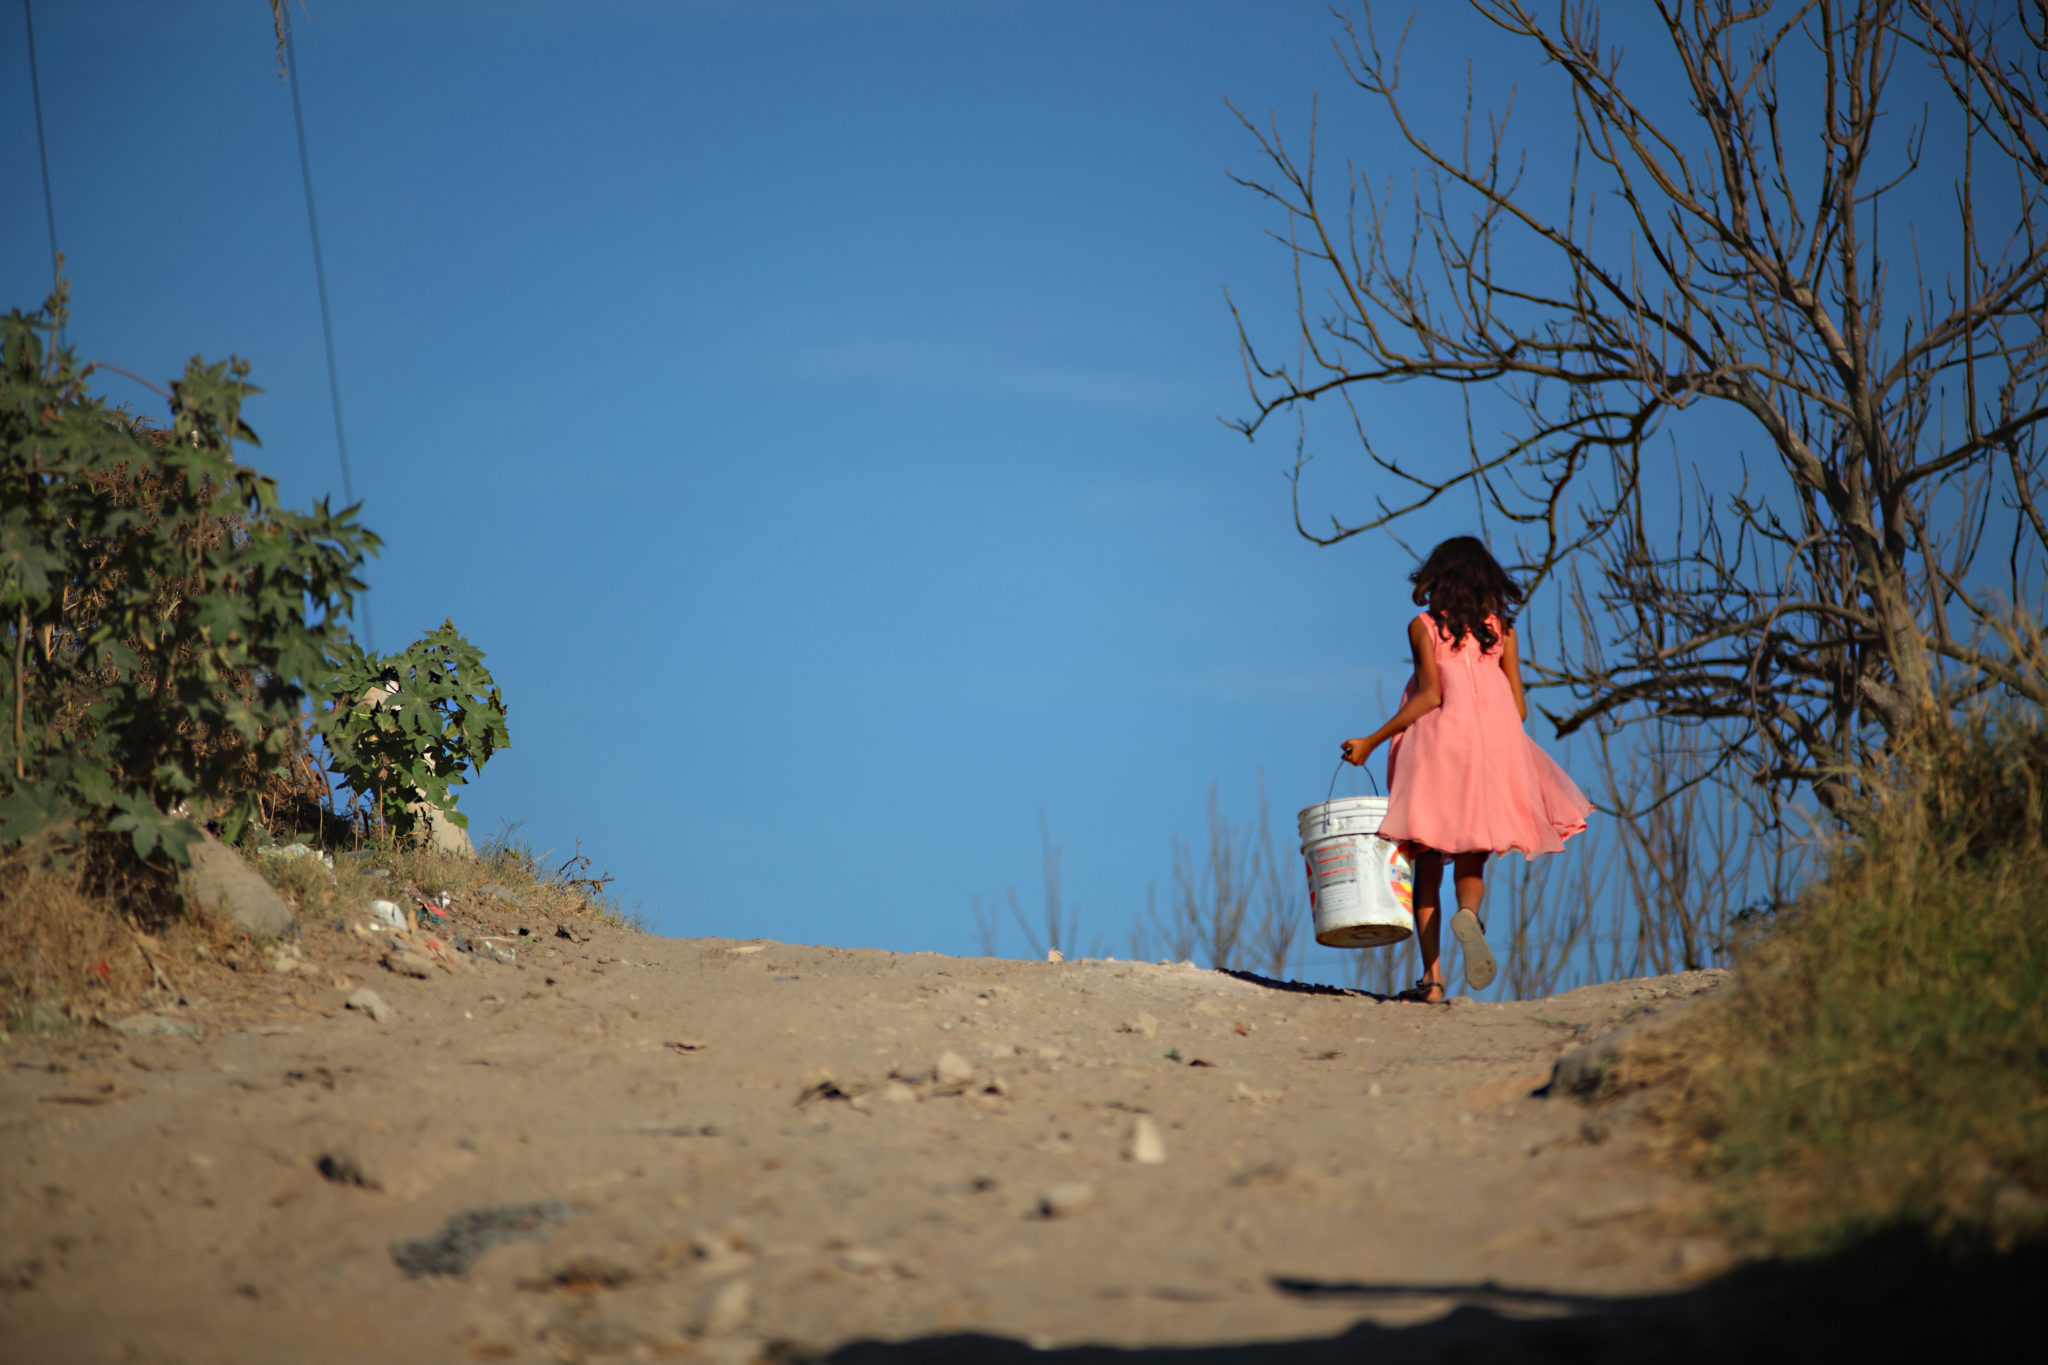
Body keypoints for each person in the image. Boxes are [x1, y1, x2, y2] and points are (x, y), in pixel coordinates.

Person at [1341, 536, 1592, 1004]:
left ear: (1438, 578)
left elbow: (1430, 695)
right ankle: (1470, 917)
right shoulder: (1502, 631)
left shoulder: (1424, 627)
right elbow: (1517, 706)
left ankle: (1432, 981)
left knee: (1429, 855)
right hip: (1493, 747)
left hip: (1439, 744)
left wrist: (1372, 741)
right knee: (1475, 848)